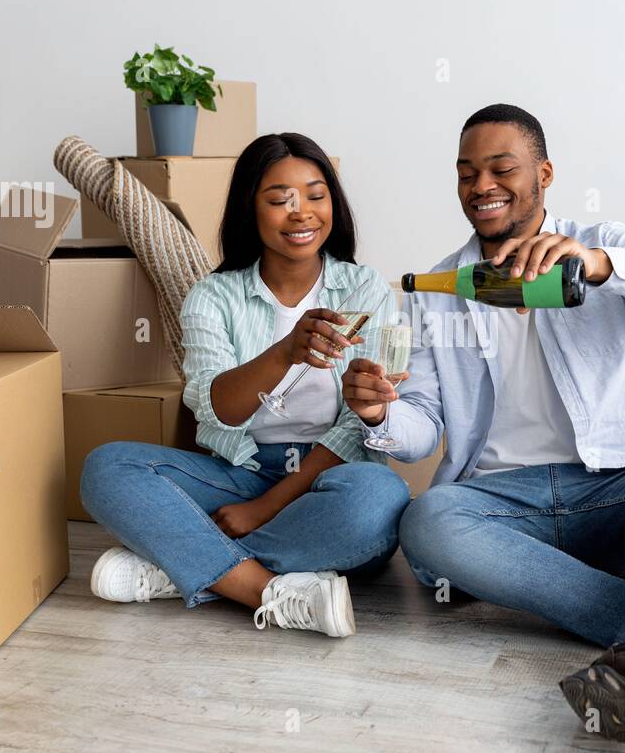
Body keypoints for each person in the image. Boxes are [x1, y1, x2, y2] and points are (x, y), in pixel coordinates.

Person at [342, 105, 625, 753]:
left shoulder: (595, 247)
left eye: (501, 169)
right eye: (466, 173)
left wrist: (601, 264)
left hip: (614, 489)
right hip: (503, 503)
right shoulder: (437, 291)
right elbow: (419, 434)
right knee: (426, 523)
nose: (481, 186)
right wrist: (379, 415)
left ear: (544, 174)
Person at [82, 133, 409, 638]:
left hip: (325, 482)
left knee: (380, 499)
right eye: (280, 200)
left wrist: (263, 510)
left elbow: (353, 429)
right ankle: (265, 590)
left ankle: (182, 566)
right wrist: (283, 353)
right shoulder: (212, 296)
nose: (301, 213)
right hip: (240, 473)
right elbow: (217, 412)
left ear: (334, 206)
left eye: (316, 196)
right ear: (249, 210)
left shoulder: (364, 287)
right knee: (106, 467)